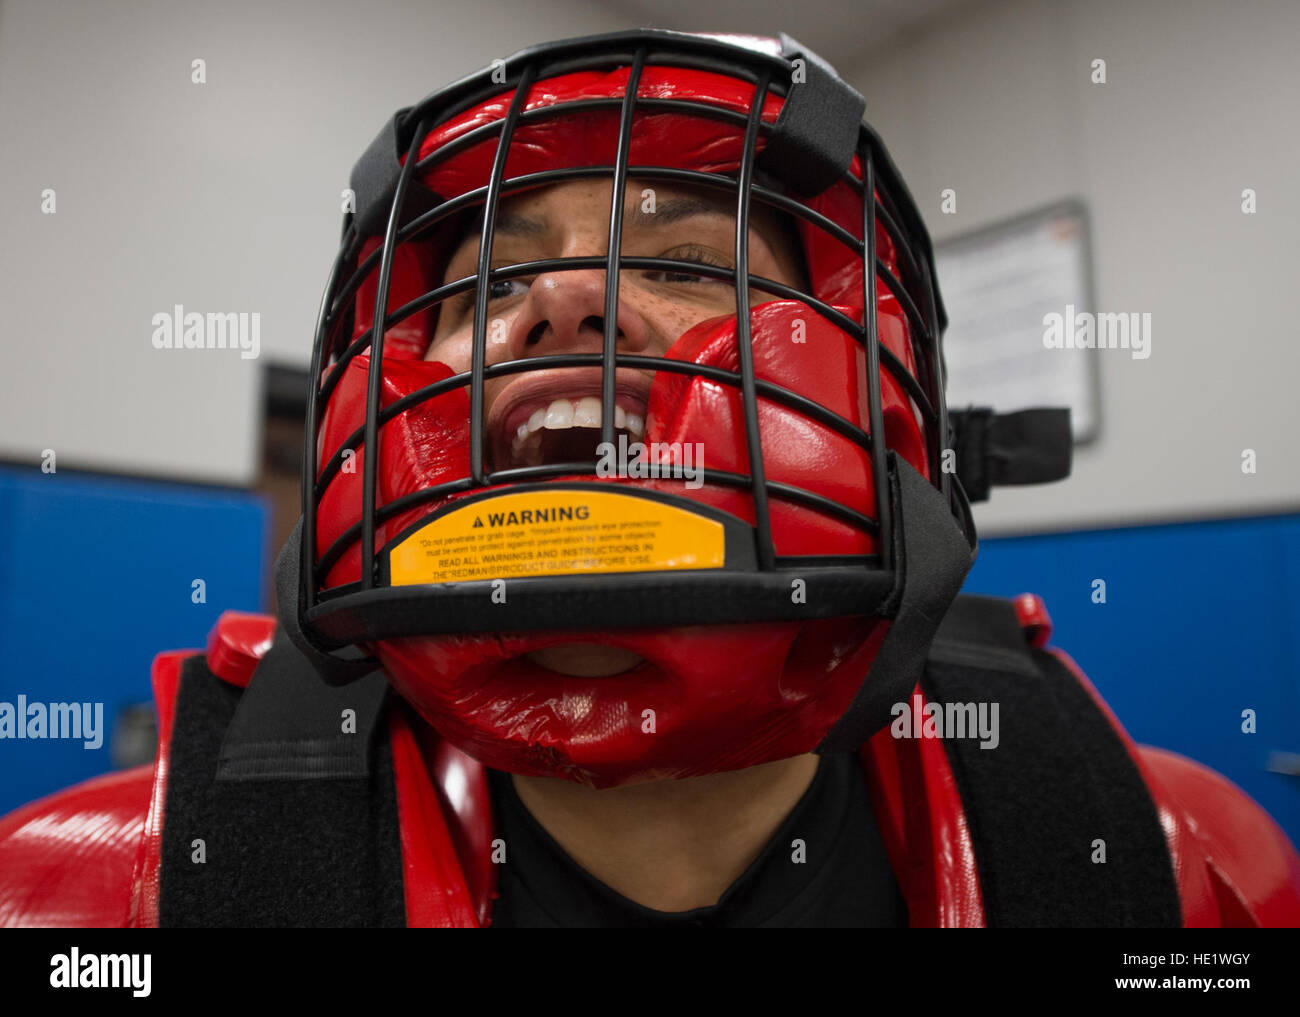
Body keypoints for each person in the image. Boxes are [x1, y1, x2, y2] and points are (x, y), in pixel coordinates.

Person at [2, 28, 1298, 929]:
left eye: (684, 262)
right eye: (487, 284)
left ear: (885, 400)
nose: (562, 300)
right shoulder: (96, 895)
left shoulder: (1170, 863)